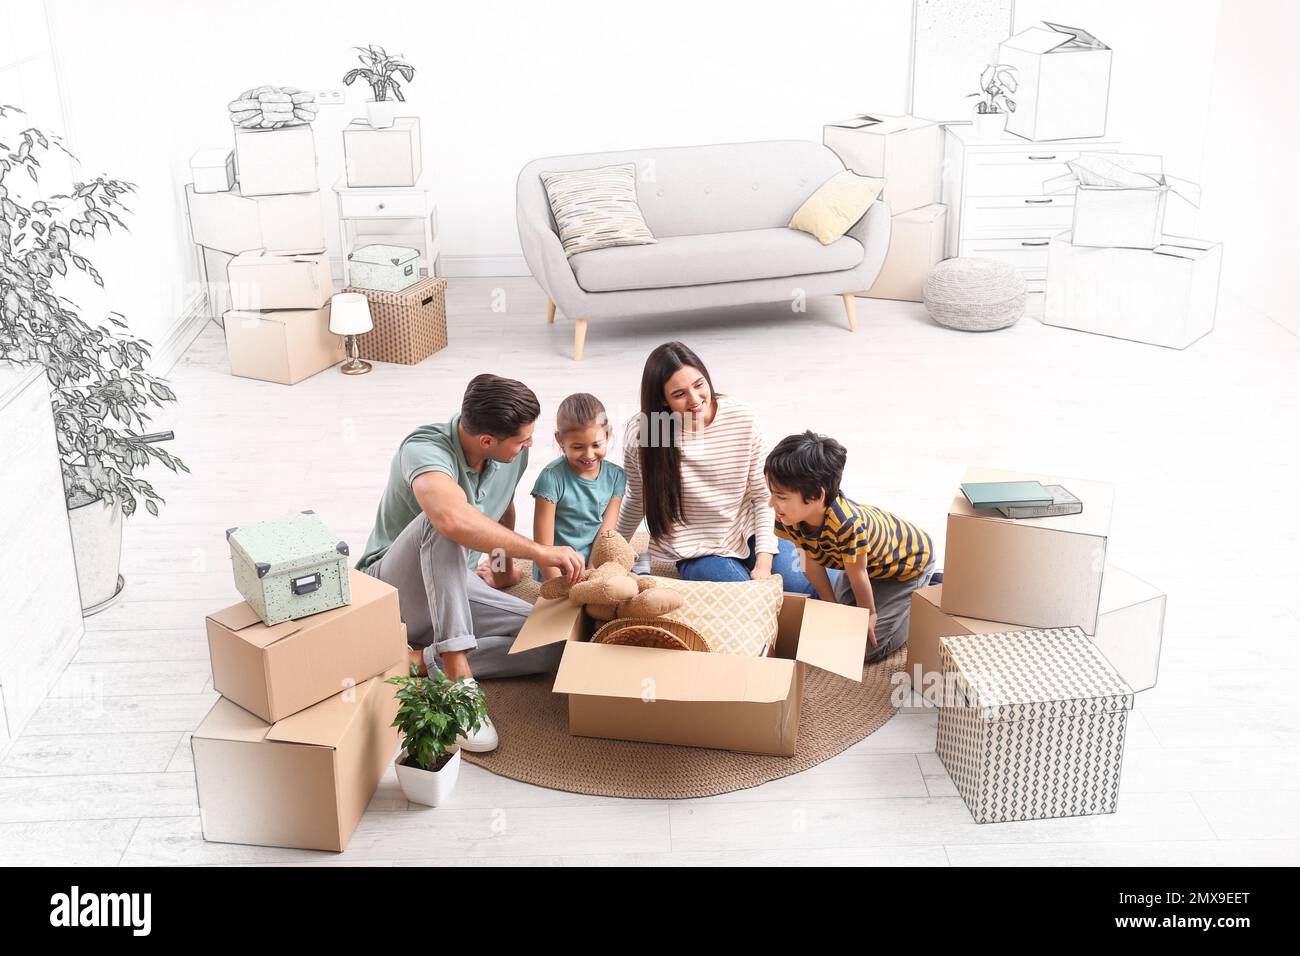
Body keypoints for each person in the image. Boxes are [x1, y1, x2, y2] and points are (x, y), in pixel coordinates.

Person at [355, 374, 584, 752]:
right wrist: (540, 552)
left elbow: (502, 504)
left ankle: (423, 661)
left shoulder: (513, 454)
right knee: (443, 520)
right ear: (487, 441)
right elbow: (452, 521)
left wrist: (501, 567)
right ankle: (458, 680)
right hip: (392, 593)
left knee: (552, 639)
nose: (530, 443)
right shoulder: (424, 448)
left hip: (454, 585)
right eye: (522, 439)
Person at [616, 341, 813, 590]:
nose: (695, 399)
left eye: (699, 385)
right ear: (662, 400)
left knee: (802, 585)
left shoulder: (742, 417)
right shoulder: (647, 432)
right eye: (679, 394)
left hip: (745, 528)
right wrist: (612, 550)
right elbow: (637, 499)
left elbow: (764, 496)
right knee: (745, 596)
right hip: (694, 547)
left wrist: (764, 561)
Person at [764, 430, 936, 662]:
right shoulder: (788, 517)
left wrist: (869, 615)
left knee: (865, 650)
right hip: (861, 566)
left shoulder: (847, 525)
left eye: (780, 496)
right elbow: (809, 563)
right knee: (841, 631)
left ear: (815, 496)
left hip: (907, 566)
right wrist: (832, 607)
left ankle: (924, 599)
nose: (771, 503)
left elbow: (858, 575)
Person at [530, 393, 626, 582]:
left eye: (596, 445)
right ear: (560, 440)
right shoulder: (551, 478)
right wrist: (558, 585)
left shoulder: (616, 476)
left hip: (594, 564)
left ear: (607, 435)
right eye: (577, 447)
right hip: (556, 568)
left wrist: (592, 573)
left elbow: (606, 533)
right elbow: (543, 545)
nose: (589, 455)